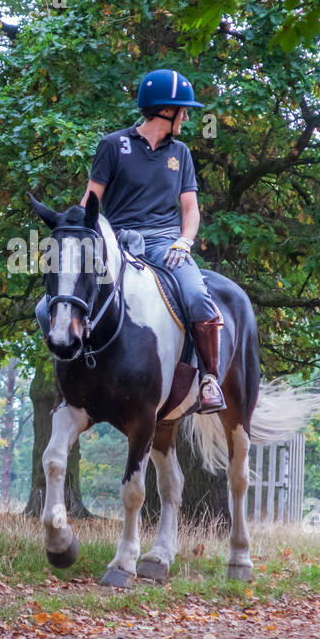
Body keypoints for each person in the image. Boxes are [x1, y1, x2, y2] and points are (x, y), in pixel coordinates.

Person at [80, 68, 226, 413]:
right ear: (165, 109)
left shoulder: (182, 153)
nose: (187, 116)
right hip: (117, 242)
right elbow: (90, 201)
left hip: (165, 244)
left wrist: (184, 242)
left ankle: (209, 380)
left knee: (197, 296)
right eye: (183, 109)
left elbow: (190, 210)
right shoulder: (113, 145)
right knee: (65, 297)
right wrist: (82, 240)